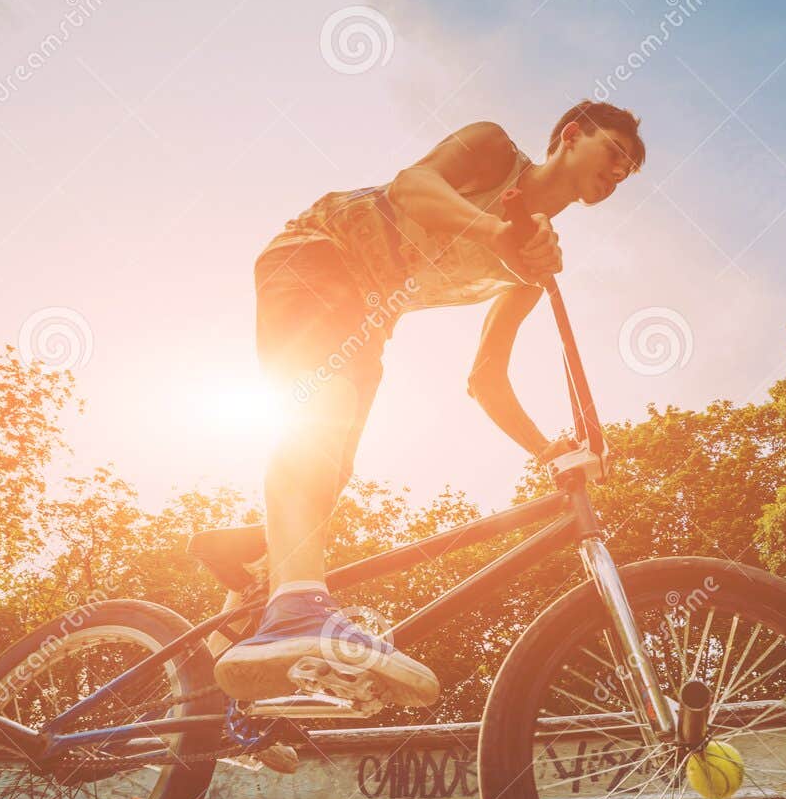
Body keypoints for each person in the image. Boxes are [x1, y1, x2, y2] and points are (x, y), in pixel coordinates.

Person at [212, 100, 645, 711]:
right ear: (571, 136)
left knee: (330, 472)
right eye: (616, 153)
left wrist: (547, 448)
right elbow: (413, 187)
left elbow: (486, 378)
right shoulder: (494, 149)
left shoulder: (534, 259)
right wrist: (497, 231)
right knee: (321, 412)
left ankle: (224, 682)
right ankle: (295, 613)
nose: (621, 170)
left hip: (369, 314)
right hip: (315, 250)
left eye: (630, 170)